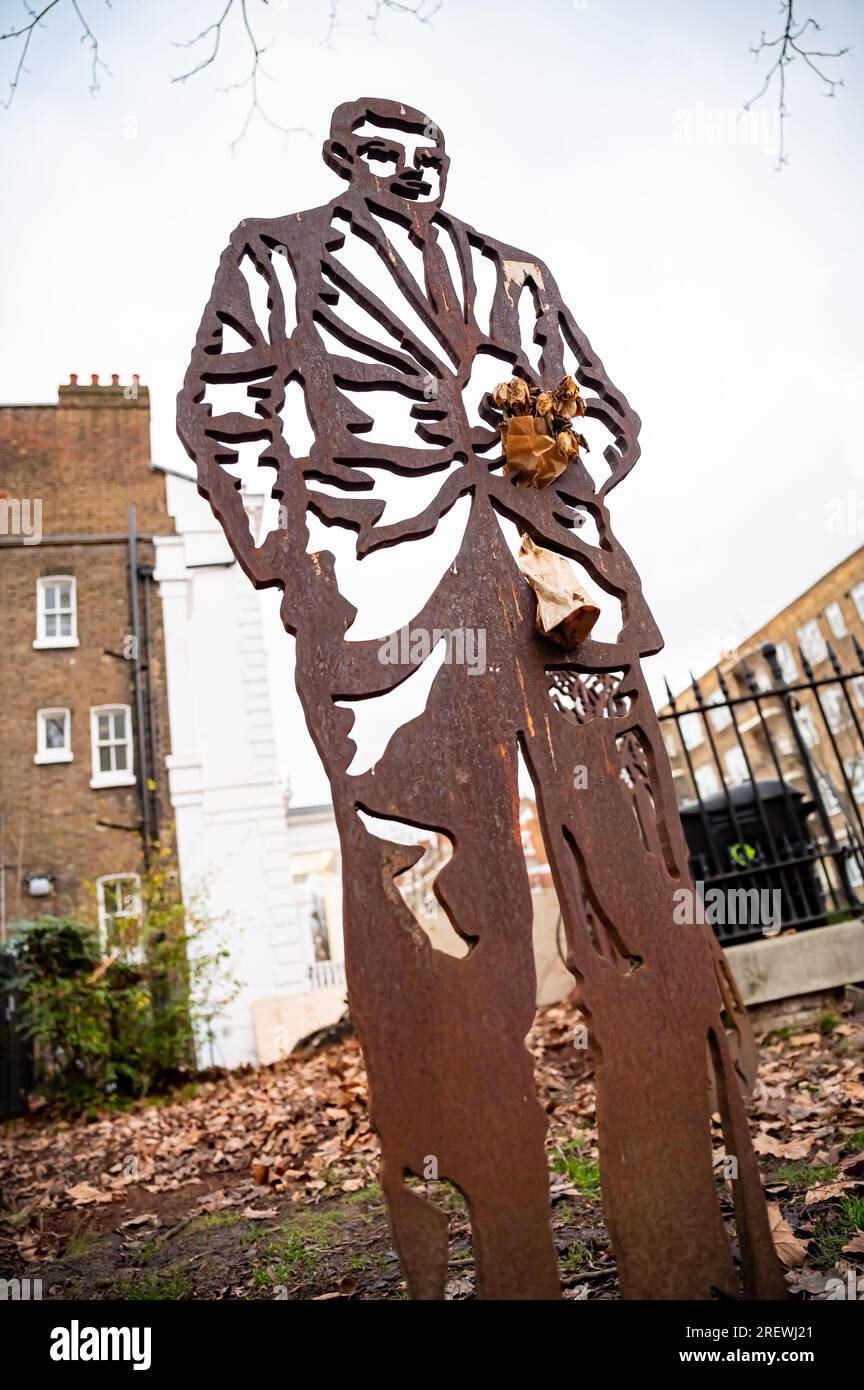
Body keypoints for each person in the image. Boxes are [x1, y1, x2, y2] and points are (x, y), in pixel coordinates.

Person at [178, 98, 783, 1299]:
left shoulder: (514, 274)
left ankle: (691, 1252)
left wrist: (552, 458)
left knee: (641, 905)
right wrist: (294, 562)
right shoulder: (276, 252)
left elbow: (607, 412)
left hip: (566, 603)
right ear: (345, 160)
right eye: (387, 155)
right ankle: (497, 1254)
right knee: (452, 926)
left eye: (429, 157)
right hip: (385, 605)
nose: (412, 173)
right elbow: (225, 411)